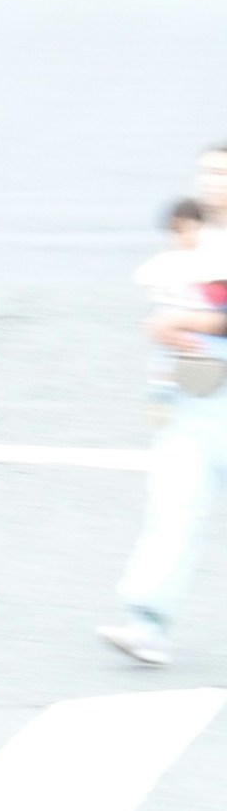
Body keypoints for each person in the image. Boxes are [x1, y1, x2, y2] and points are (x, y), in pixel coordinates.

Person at [105, 193, 227, 665]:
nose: (216, 184)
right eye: (210, 173)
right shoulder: (186, 257)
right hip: (193, 403)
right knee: (172, 512)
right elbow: (165, 322)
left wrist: (185, 320)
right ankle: (147, 624)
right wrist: (159, 389)